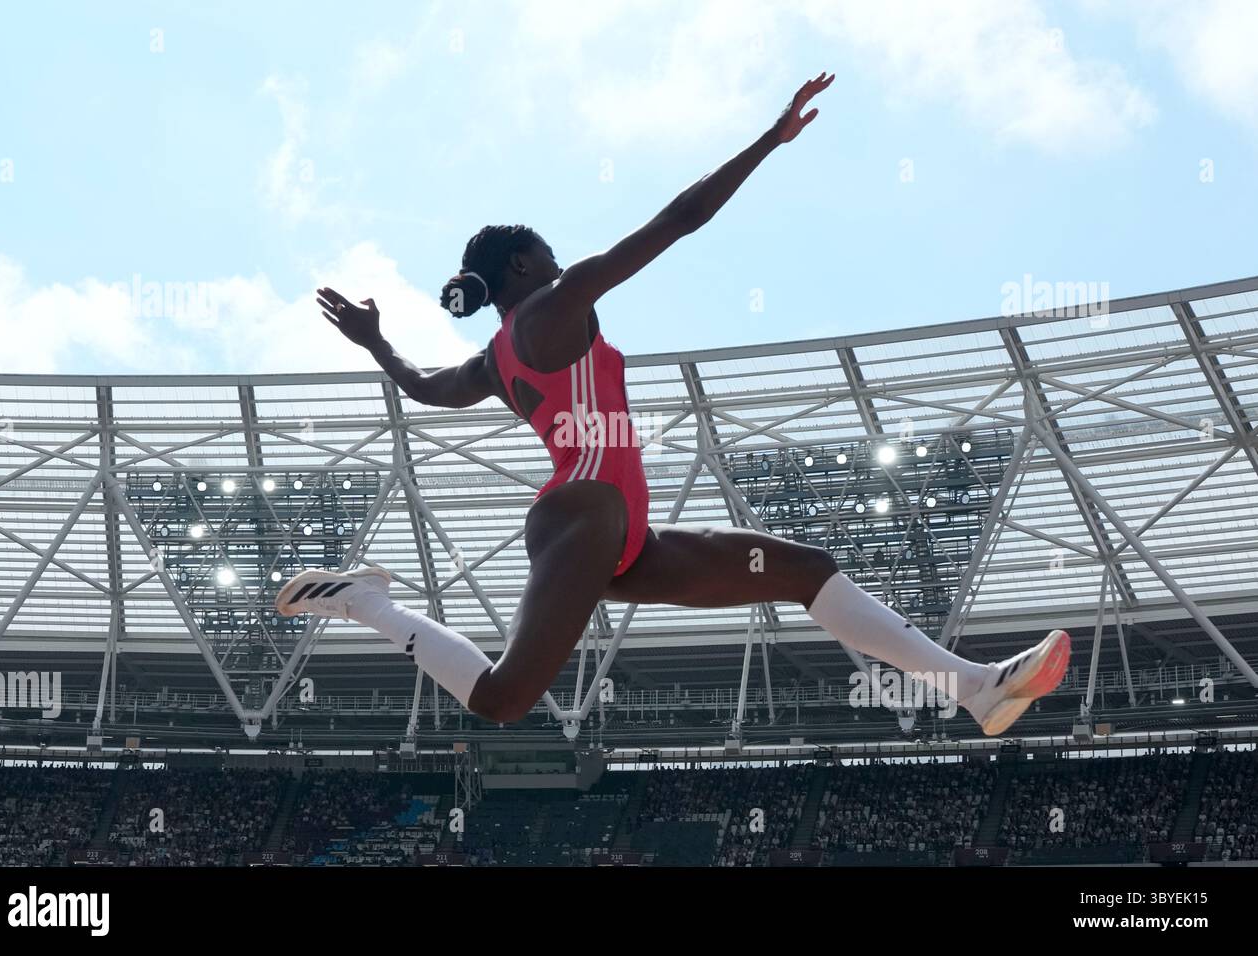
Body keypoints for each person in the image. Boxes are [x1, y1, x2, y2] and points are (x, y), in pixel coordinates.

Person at [278, 72, 1068, 736]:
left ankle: (975, 687)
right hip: (583, 517)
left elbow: (425, 388)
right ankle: (367, 601)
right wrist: (769, 140)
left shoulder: (494, 359)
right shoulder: (555, 303)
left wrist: (377, 344)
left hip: (625, 538)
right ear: (522, 264)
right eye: (546, 251)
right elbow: (678, 220)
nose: (558, 257)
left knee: (803, 569)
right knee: (505, 699)